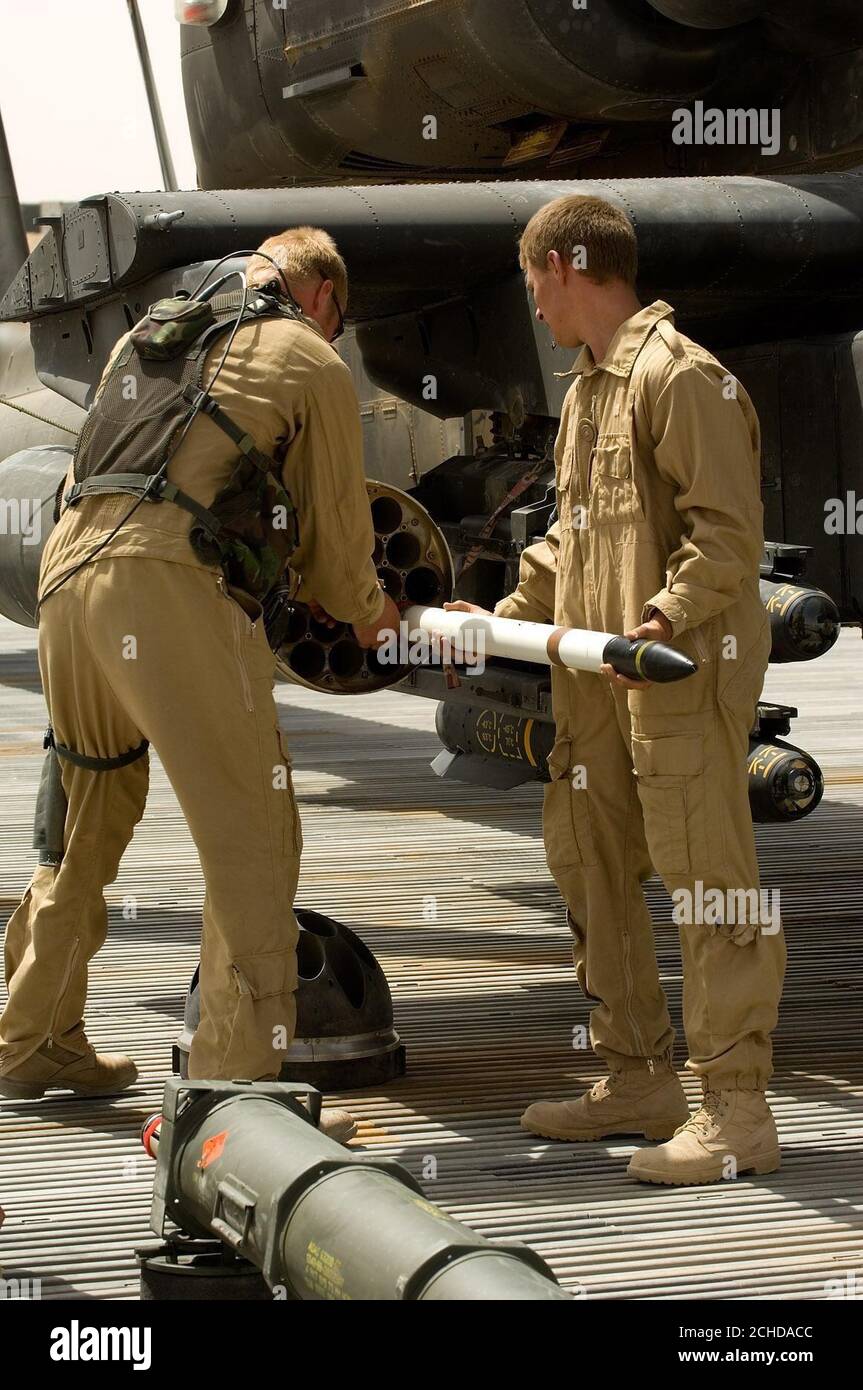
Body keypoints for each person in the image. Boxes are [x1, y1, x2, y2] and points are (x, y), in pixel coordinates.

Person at [0, 227, 399, 1142]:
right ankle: (237, 1102)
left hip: (66, 579)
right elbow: (339, 557)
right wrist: (375, 611)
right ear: (323, 298)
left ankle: (33, 1034)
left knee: (88, 815)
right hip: (163, 587)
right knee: (253, 836)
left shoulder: (150, 337)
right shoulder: (306, 357)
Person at [447, 195, 786, 1185]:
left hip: (672, 672)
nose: (531, 306)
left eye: (529, 283)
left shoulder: (681, 378)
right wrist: (507, 612)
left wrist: (666, 614)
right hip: (596, 674)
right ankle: (637, 1077)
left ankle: (736, 1108)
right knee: (589, 857)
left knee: (707, 879)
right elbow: (572, 533)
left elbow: (726, 537)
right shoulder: (591, 388)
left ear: (563, 266)